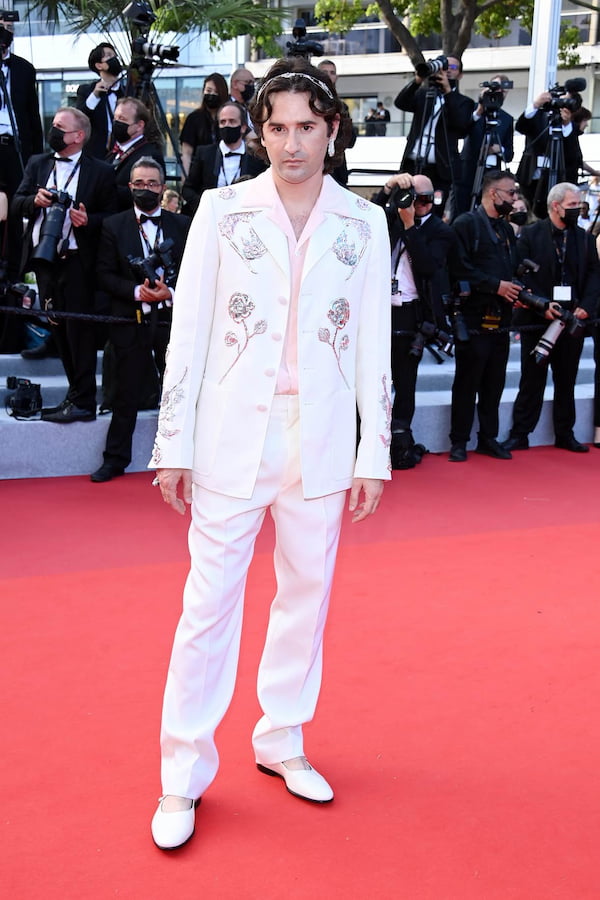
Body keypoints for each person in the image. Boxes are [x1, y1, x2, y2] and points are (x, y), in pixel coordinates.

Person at [148, 55, 391, 851]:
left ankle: (282, 737)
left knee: (306, 595)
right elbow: (188, 332)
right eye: (278, 128)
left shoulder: (364, 221)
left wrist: (373, 452)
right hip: (230, 434)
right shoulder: (222, 210)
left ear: (332, 130)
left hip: (318, 438)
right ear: (259, 133)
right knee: (208, 605)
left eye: (306, 127)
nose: (292, 144)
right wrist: (173, 442)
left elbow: (375, 344)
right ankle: (181, 773)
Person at [12, 106, 118, 422]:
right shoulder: (38, 163)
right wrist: (34, 201)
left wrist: (88, 220)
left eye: (60, 127)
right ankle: (74, 395)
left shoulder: (101, 171)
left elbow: (112, 217)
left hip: (76, 262)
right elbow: (17, 203)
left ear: (78, 136)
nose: (53, 131)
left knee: (78, 332)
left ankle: (84, 400)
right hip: (44, 259)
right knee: (57, 329)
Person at [91, 158, 191, 482]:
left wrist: (169, 292)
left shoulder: (183, 225)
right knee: (125, 393)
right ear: (130, 186)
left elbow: (196, 270)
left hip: (172, 322)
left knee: (179, 393)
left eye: (151, 184)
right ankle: (115, 459)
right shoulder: (114, 225)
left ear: (162, 187)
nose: (145, 189)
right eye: (139, 183)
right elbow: (104, 274)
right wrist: (137, 292)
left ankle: (186, 461)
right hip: (130, 319)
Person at [502, 183, 600, 454]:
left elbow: (595, 275)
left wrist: (587, 306)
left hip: (573, 319)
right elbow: (519, 274)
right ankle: (520, 434)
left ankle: (565, 434)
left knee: (566, 380)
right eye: (572, 205)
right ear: (555, 206)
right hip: (537, 318)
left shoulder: (584, 239)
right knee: (531, 378)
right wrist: (542, 306)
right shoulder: (531, 235)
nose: (578, 209)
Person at [373, 172, 454, 468]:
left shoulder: (440, 231)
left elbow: (428, 266)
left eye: (424, 200)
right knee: (374, 381)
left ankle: (400, 444)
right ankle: (369, 442)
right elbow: (367, 219)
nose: (417, 205)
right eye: (412, 199)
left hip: (413, 312)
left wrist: (410, 226)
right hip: (381, 310)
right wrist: (388, 189)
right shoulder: (390, 221)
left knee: (405, 383)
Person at [447, 169, 520, 462]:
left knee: (494, 381)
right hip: (473, 317)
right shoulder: (466, 224)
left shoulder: (506, 230)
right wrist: (496, 286)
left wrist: (515, 288)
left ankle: (488, 438)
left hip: (502, 319)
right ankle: (459, 441)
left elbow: (512, 267)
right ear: (493, 193)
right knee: (467, 382)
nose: (514, 199)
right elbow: (459, 268)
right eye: (510, 193)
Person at [0, 8, 43, 352]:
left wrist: (36, 159)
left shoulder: (24, 69)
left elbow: (31, 115)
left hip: (15, 148)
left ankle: (14, 277)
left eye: (8, 26)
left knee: (16, 212)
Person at [394, 56, 474, 217]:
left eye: (453, 67)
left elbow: (461, 125)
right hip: (413, 163)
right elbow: (401, 102)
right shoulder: (424, 95)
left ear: (460, 75)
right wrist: (418, 79)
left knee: (433, 211)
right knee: (403, 207)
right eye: (445, 66)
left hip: (440, 169)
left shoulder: (464, 102)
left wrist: (448, 91)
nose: (448, 69)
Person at [181, 101, 267, 216]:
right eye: (223, 122)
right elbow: (188, 189)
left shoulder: (256, 157)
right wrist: (205, 207)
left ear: (243, 127)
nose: (227, 125)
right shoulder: (205, 154)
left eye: (232, 121)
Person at [515, 88, 582, 216]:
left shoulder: (571, 126)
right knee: (530, 213)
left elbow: (572, 155)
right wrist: (536, 104)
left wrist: (566, 124)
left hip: (557, 177)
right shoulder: (538, 115)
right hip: (532, 176)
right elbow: (520, 126)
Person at [455, 74, 514, 216]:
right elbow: (462, 129)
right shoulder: (474, 109)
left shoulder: (507, 119)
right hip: (469, 168)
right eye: (495, 90)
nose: (499, 94)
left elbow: (509, 154)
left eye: (503, 92)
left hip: (492, 171)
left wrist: (499, 150)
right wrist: (480, 109)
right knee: (462, 206)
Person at [105, 97, 165, 210]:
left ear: (139, 125)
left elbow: (145, 194)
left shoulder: (150, 155)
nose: (116, 122)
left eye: (122, 119)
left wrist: (105, 189)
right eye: (115, 118)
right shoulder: (112, 153)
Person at [75, 42, 125, 159]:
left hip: (122, 154)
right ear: (99, 65)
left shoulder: (127, 91)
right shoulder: (86, 91)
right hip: (95, 156)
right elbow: (80, 118)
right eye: (109, 56)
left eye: (115, 56)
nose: (114, 59)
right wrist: (95, 95)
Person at [178, 72, 229, 179]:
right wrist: (185, 180)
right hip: (199, 174)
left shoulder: (229, 118)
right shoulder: (194, 118)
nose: (212, 95)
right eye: (208, 91)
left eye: (216, 92)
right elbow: (186, 153)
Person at [316, 59, 357, 188]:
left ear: (336, 77)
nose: (328, 75)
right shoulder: (308, 104)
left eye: (332, 72)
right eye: (324, 72)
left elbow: (351, 140)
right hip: (314, 168)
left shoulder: (342, 107)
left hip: (337, 171)